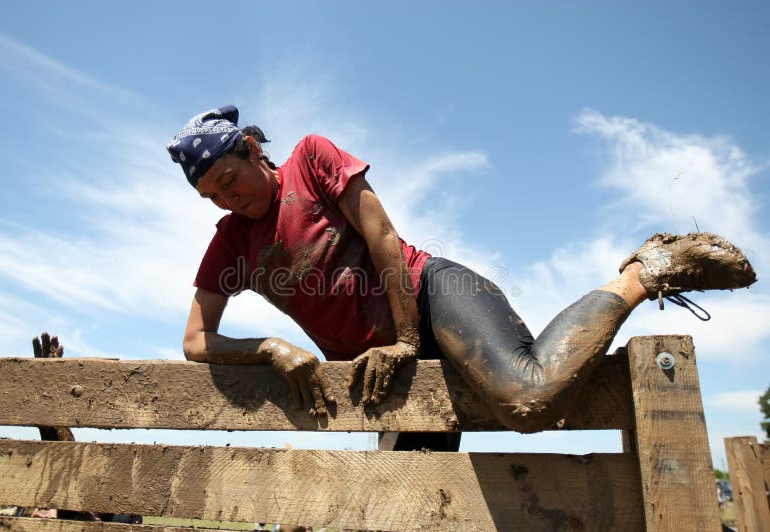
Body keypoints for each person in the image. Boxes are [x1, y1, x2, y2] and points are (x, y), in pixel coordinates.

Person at [168, 106, 756, 450]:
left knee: (526, 401)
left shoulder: (309, 159)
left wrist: (404, 338)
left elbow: (380, 235)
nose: (226, 199)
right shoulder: (232, 243)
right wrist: (270, 349)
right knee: (414, 509)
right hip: (388, 369)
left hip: (430, 296)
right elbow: (196, 341)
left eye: (227, 179)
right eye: (210, 195)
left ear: (249, 149)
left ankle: (644, 270)